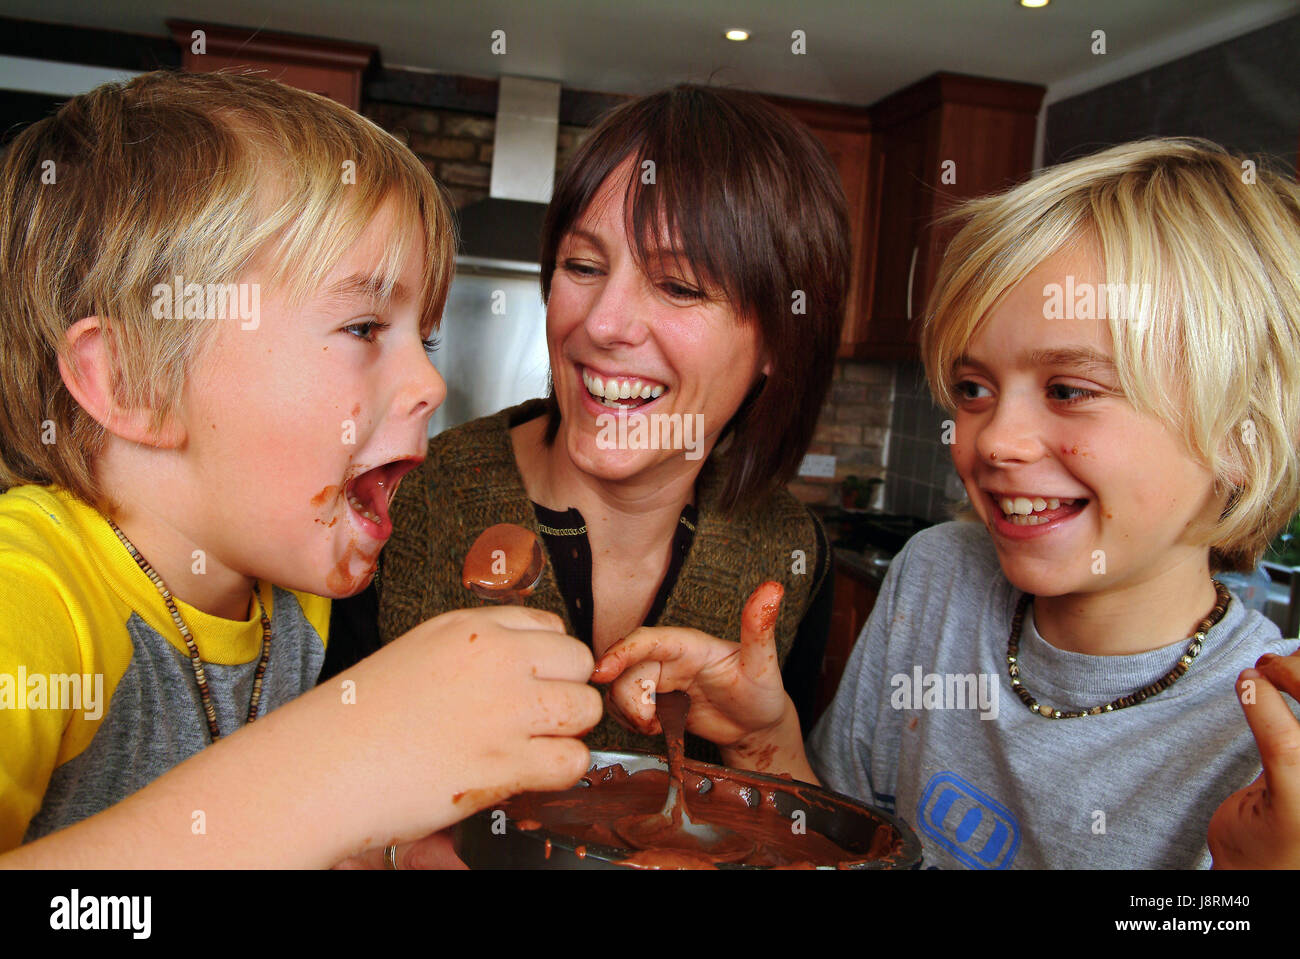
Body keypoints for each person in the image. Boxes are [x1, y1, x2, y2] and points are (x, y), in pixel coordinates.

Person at [593, 137, 1300, 868]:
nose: (995, 441)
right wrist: (765, 741)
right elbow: (845, 853)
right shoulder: (937, 578)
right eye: (973, 390)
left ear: (1243, 433)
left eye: (1069, 390)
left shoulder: (1270, 743)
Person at [0, 70, 600, 868]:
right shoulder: (32, 602)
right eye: (361, 326)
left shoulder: (292, 601)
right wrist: (335, 764)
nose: (430, 386)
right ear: (132, 380)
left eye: (421, 341)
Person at [337, 84, 849, 756]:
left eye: (679, 286)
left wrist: (771, 742)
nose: (602, 323)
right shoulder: (399, 506)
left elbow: (781, 835)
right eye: (583, 265)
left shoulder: (792, 558)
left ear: (780, 339)